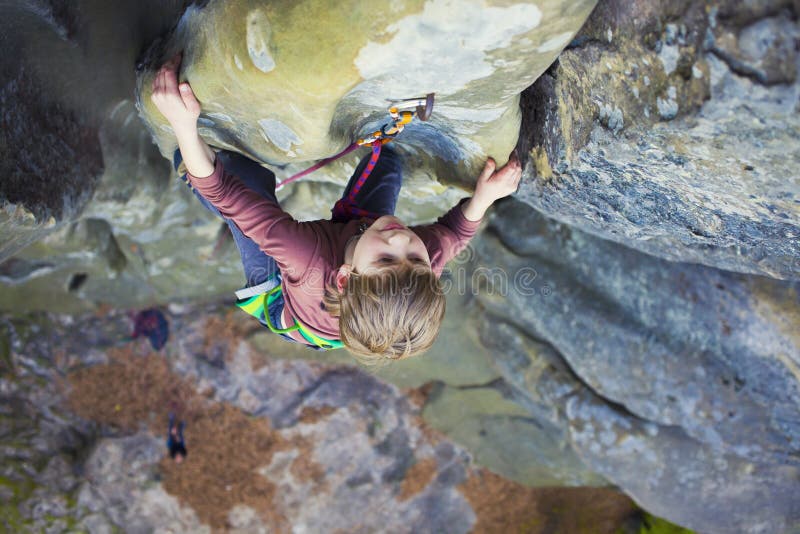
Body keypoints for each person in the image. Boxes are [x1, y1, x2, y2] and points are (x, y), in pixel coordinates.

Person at [150, 54, 521, 362]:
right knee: (390, 163)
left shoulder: (305, 257)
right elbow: (456, 235)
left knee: (246, 183)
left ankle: (186, 167)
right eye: (415, 256)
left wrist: (184, 126)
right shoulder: (415, 271)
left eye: (387, 259)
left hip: (281, 296)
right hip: (351, 275)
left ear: (344, 278)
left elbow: (228, 196)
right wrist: (486, 196)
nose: (401, 240)